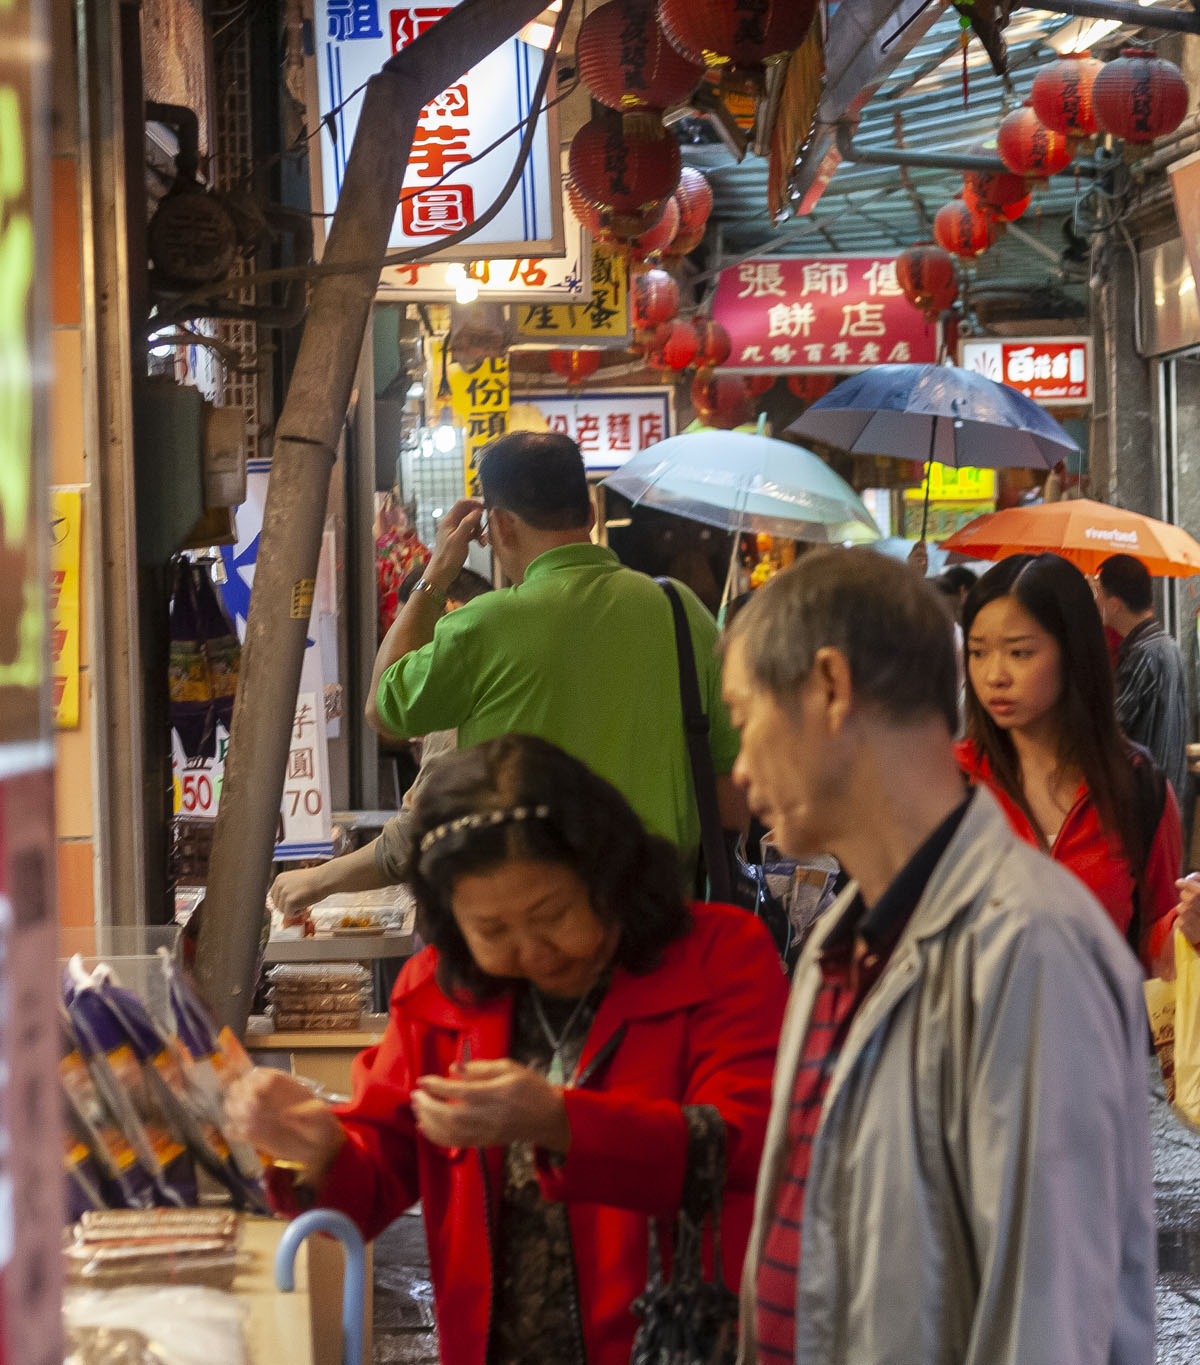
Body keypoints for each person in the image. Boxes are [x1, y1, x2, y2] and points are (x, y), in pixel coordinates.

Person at [720, 549, 1155, 1364]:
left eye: (745, 717)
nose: (740, 768)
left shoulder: (1028, 946)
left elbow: (1045, 1320)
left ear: (830, 688)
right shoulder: (842, 946)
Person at [226, 735, 788, 1365]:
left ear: (609, 874)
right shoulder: (439, 990)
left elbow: (748, 1148)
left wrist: (558, 1121)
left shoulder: (721, 956)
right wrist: (319, 1148)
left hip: (682, 1340)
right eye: (491, 930)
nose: (532, 948)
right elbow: (378, 1175)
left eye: (551, 913)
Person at [369, 430, 745, 881]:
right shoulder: (681, 610)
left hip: (525, 920)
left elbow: (382, 709)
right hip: (659, 914)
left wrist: (438, 572)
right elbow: (732, 792)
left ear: (500, 525)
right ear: (589, 513)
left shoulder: (481, 626)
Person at [958, 553, 1200, 976]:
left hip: (1103, 1037)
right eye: (978, 653)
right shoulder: (952, 786)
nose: (994, 675)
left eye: (1020, 653)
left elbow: (1153, 949)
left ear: (1074, 653)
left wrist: (1191, 930)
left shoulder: (1139, 790)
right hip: (975, 1037)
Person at [270, 566, 492, 925]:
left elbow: (417, 836)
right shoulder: (519, 653)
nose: (408, 657)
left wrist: (316, 880)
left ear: (447, 611)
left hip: (482, 915)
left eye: (408, 630)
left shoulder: (465, 683)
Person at [1093, 552, 1191, 804]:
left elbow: (1110, 725)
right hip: (1166, 796)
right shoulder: (1167, 646)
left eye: (1098, 595)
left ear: (1114, 604)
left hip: (1144, 800)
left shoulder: (1142, 654)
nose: (1096, 602)